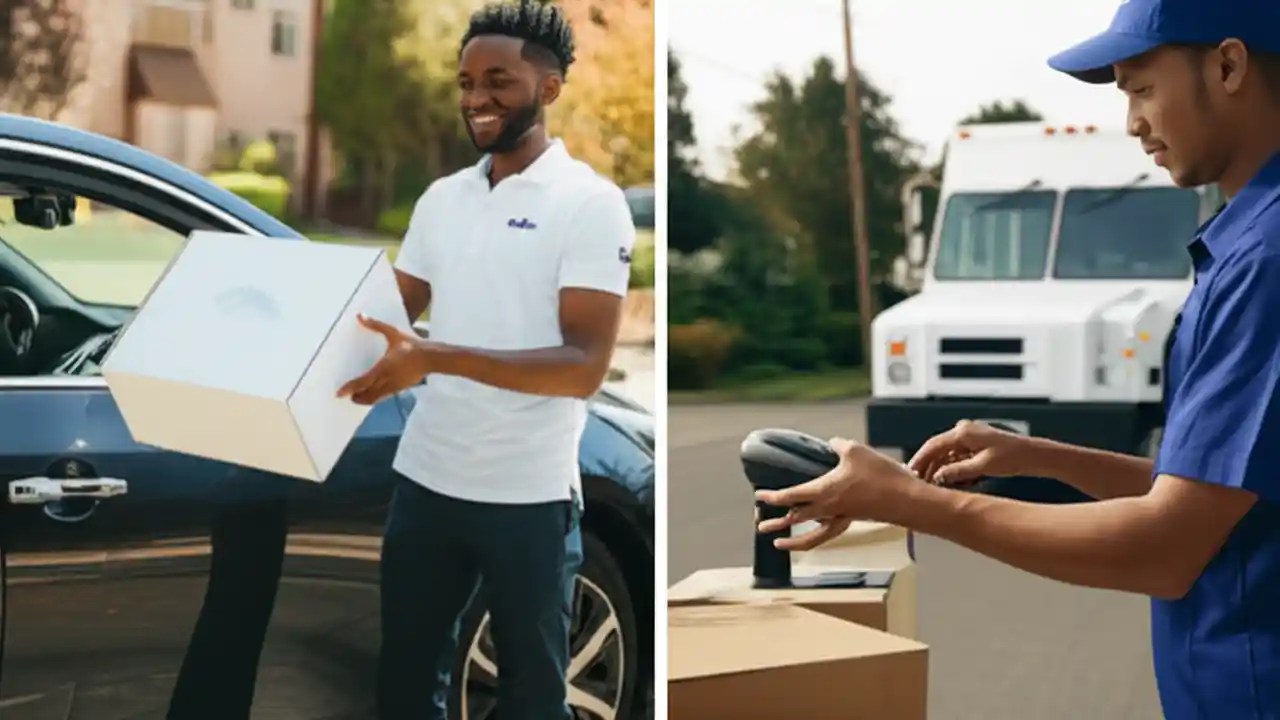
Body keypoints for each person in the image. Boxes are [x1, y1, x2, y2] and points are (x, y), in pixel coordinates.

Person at [755, 1, 1280, 717]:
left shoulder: (1265, 261)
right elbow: (1213, 494)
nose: (1132, 122)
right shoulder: (1248, 242)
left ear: (1227, 66)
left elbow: (1166, 546)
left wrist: (909, 501)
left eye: (1141, 87)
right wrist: (1036, 457)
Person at [335, 1, 636, 718]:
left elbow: (583, 366)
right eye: (466, 82)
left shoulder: (590, 204)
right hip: (427, 485)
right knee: (406, 687)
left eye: (497, 80)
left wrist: (435, 357)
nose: (476, 98)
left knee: (532, 698)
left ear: (550, 86)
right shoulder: (444, 199)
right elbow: (384, 319)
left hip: (526, 497)